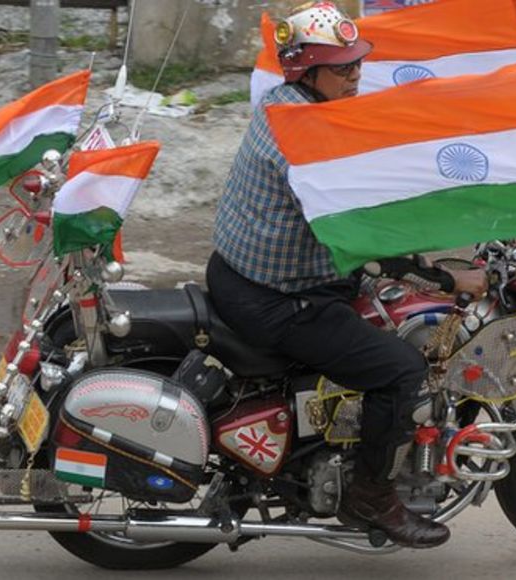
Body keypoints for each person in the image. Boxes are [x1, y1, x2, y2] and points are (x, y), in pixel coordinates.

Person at [206, 1, 487, 549]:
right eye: (341, 68)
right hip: (277, 298)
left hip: (248, 275)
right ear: (307, 72)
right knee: (401, 370)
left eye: (357, 63)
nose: (355, 75)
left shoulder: (287, 104)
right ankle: (371, 497)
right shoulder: (304, 135)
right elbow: (362, 242)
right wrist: (448, 281)